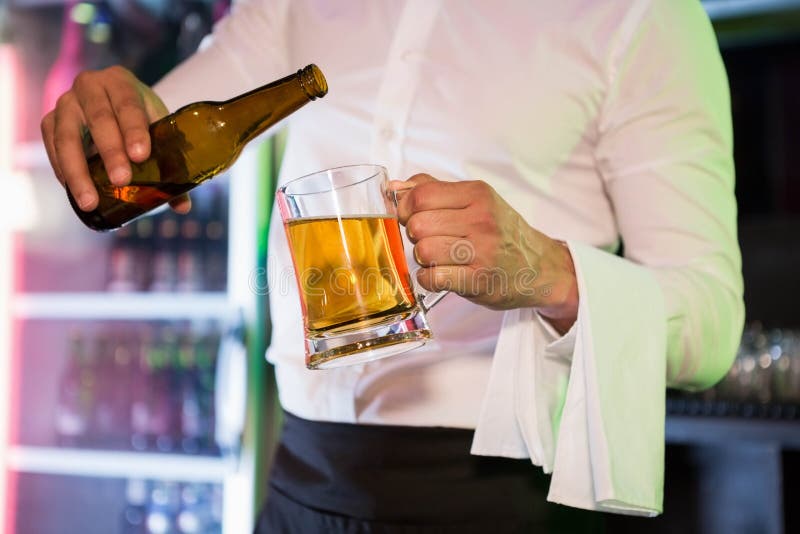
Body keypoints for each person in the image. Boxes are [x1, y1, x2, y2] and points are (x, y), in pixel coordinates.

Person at [41, 0, 744, 532]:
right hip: (297, 479)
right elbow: (165, 133)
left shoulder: (647, 17)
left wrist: (551, 271)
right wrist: (113, 114)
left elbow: (711, 326)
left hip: (498, 495)